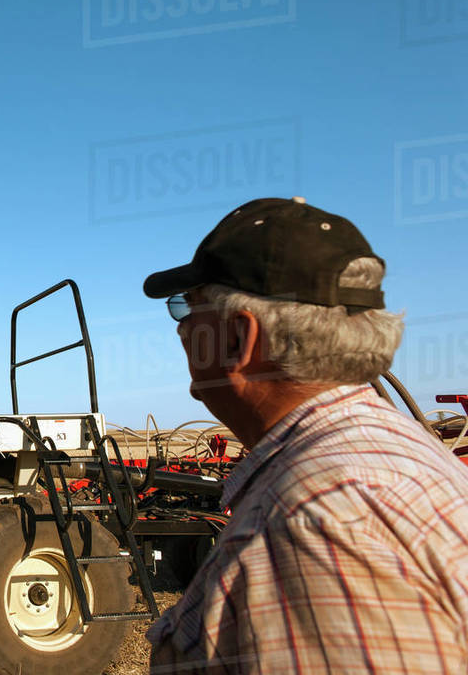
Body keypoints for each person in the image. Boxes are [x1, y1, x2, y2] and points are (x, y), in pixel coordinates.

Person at [142, 196, 468, 673]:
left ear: (238, 339)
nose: (181, 331)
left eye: (187, 307)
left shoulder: (309, 527)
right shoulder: (396, 454)